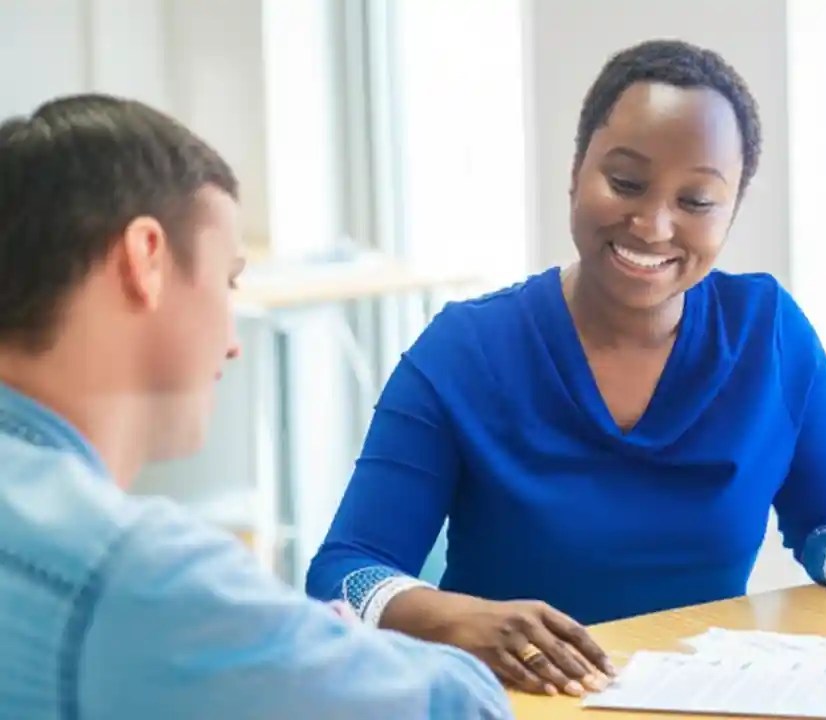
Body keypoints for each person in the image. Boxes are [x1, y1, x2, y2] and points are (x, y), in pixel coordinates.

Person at [307, 39, 826, 697]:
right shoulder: (466, 349)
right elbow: (345, 570)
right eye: (625, 182)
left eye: (697, 200)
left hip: (699, 702)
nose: (652, 225)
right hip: (517, 704)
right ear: (575, 174)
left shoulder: (769, 333)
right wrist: (456, 620)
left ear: (731, 209)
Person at [0, 94, 512, 719]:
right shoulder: (132, 574)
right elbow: (456, 708)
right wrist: (333, 648)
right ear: (145, 260)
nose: (233, 341)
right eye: (228, 281)